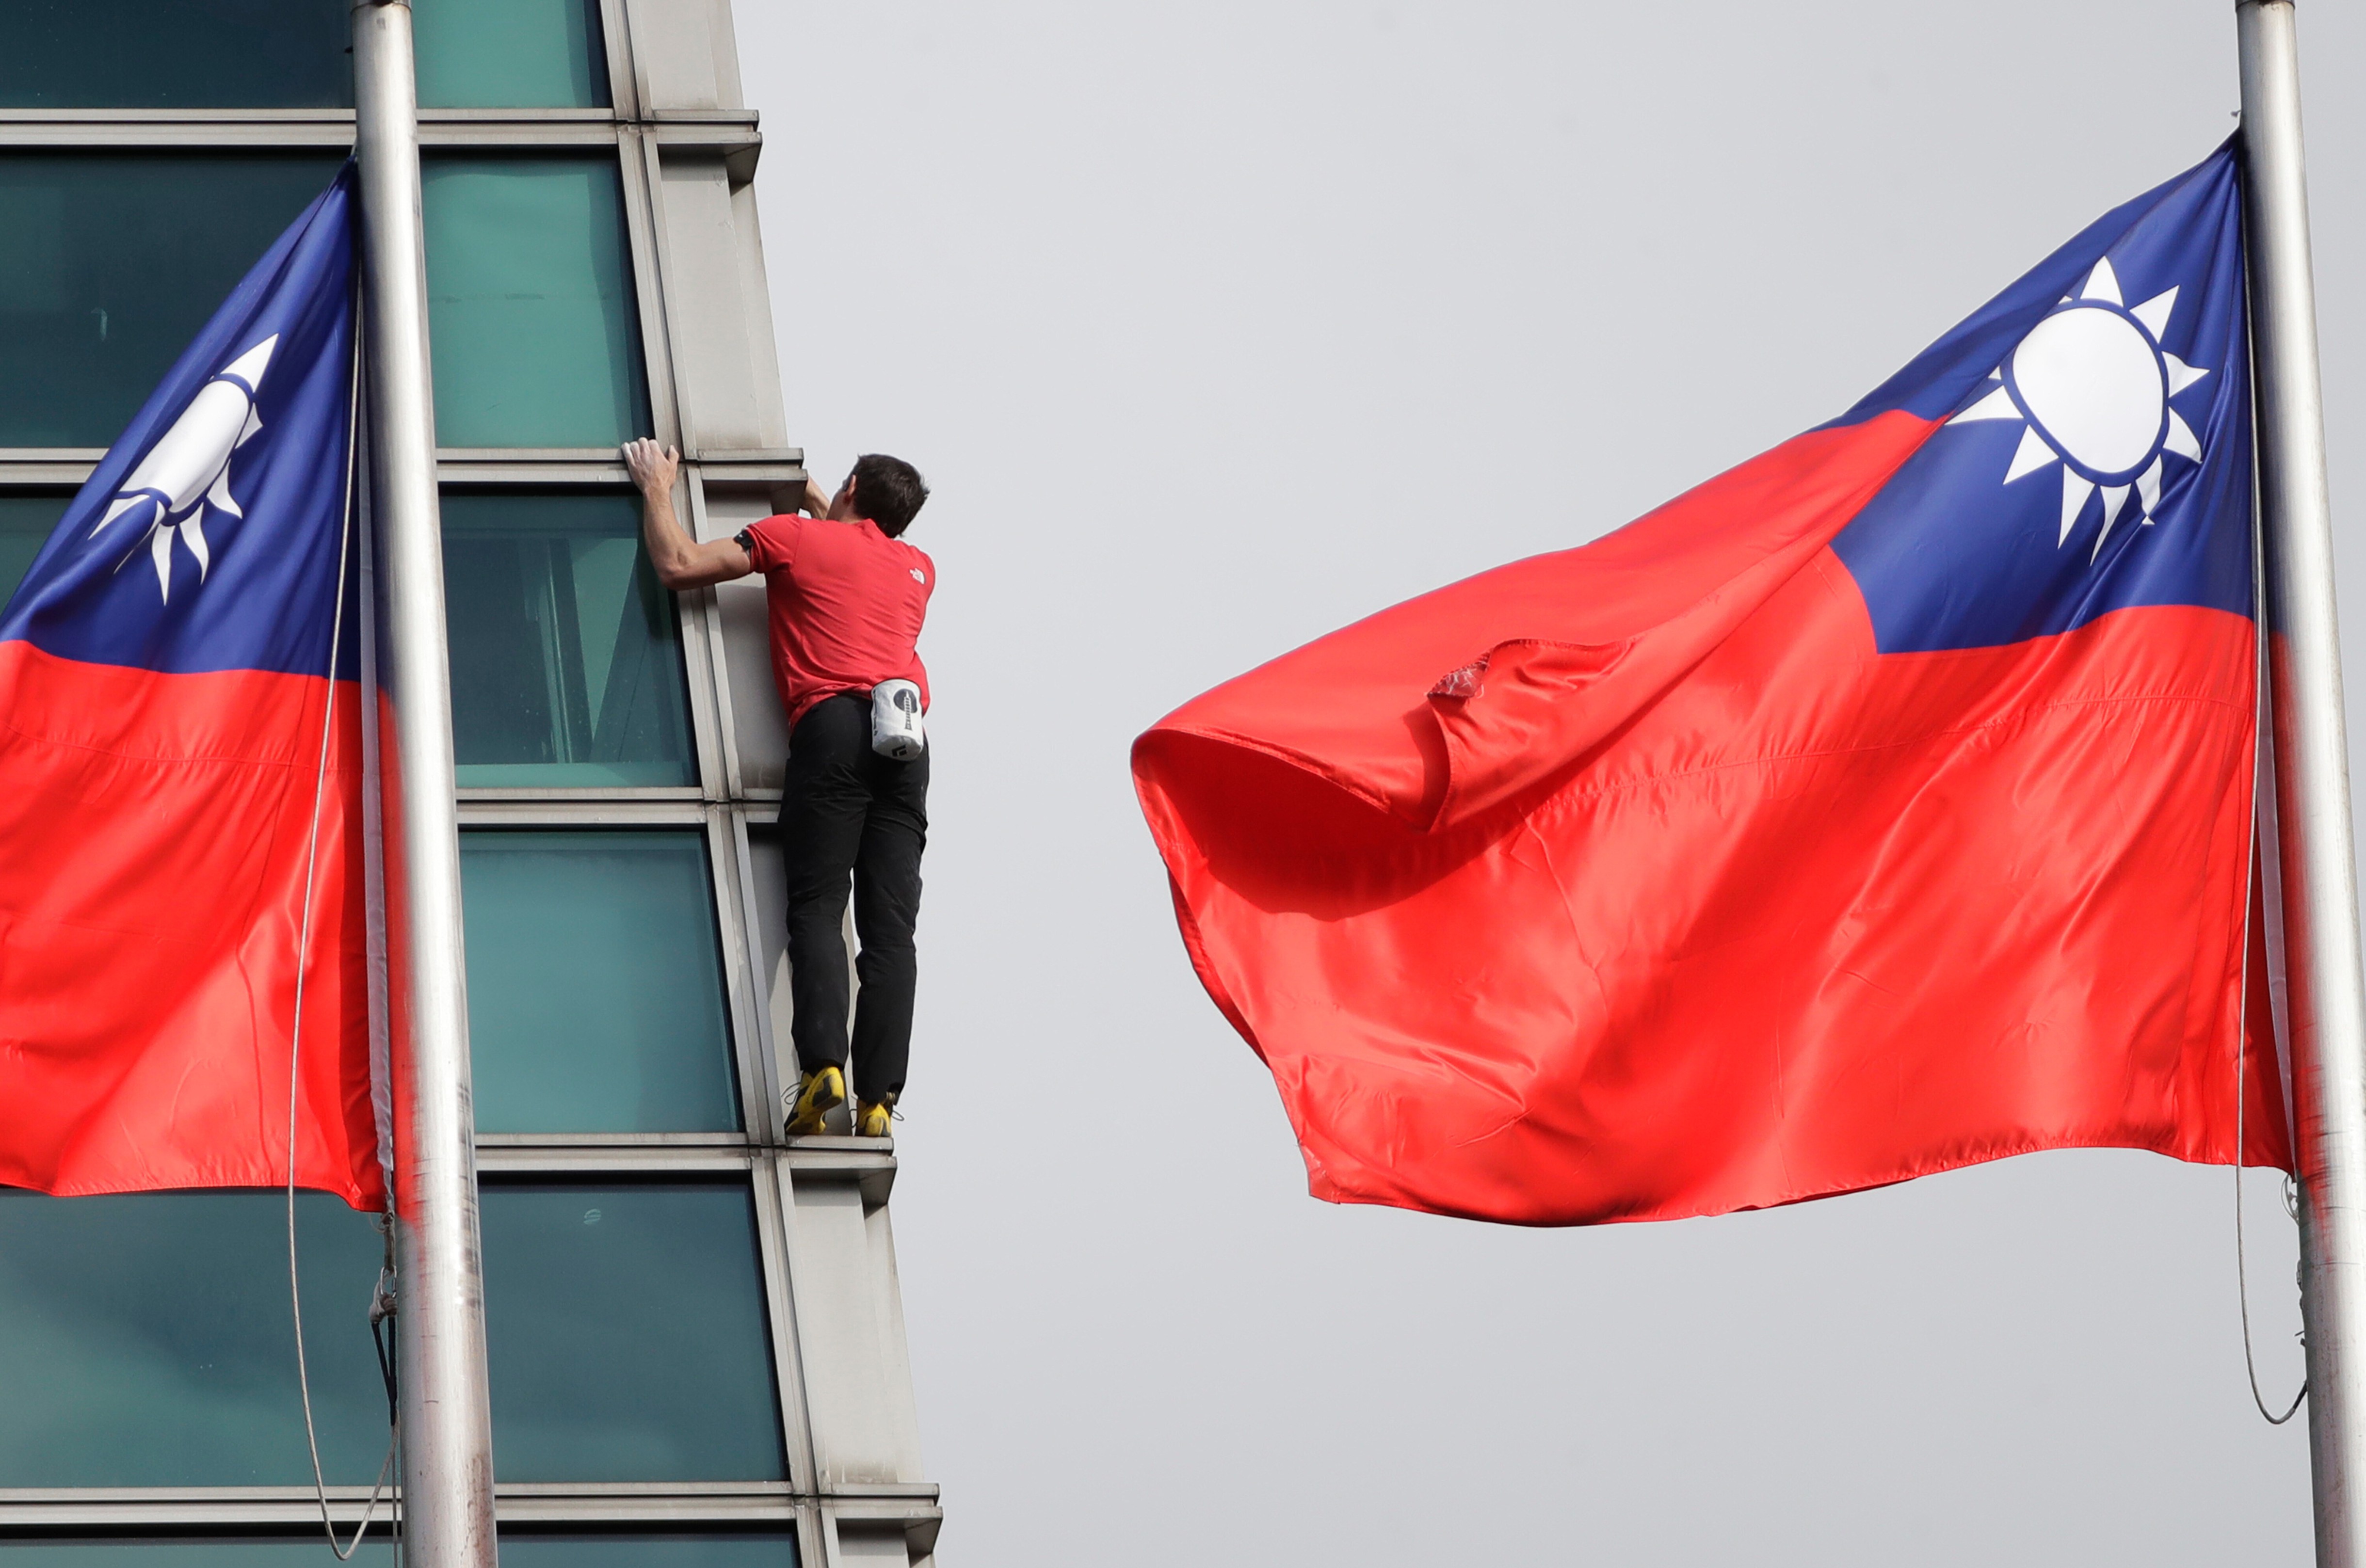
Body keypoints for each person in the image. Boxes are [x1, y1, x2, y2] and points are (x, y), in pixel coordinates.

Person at [623, 437, 934, 1139]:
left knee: (818, 907)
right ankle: (878, 1099)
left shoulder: (793, 538)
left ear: (850, 487)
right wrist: (829, 499)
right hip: (905, 742)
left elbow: (679, 566)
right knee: (892, 934)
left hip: (833, 730)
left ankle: (823, 1066)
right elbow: (854, 541)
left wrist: (656, 488)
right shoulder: (919, 568)